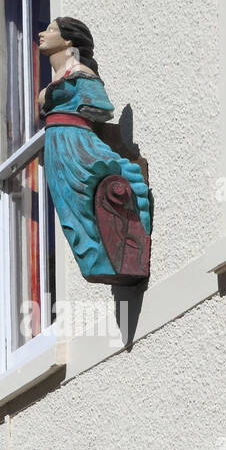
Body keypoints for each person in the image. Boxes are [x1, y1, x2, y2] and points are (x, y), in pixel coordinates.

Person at [37, 17, 152, 282]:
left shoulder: (79, 72)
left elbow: (101, 106)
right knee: (68, 208)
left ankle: (110, 252)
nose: (42, 33)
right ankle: (95, 256)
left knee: (83, 195)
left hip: (74, 141)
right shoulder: (62, 76)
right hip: (57, 147)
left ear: (68, 40)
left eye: (51, 30)